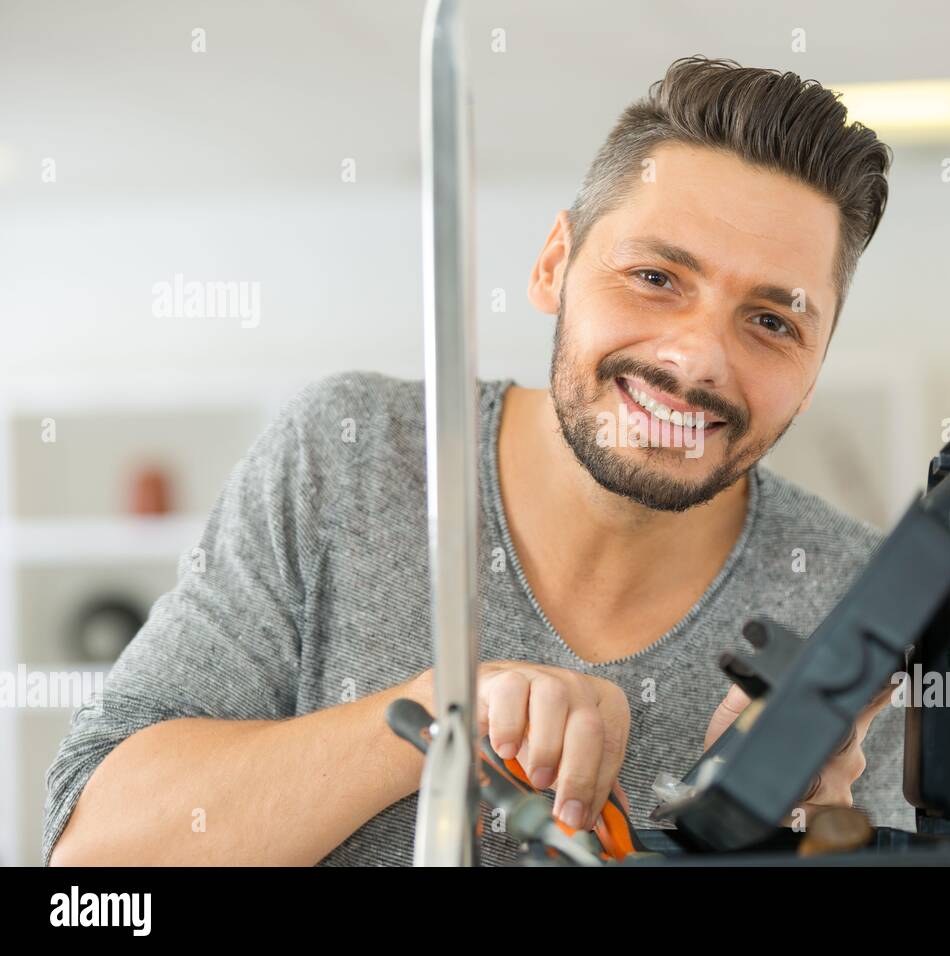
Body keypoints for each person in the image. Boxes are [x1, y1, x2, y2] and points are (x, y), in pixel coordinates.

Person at [45, 55, 901, 866]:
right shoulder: (345, 459)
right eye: (654, 278)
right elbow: (97, 859)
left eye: (772, 322)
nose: (698, 360)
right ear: (553, 266)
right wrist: (442, 716)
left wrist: (800, 834)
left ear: (816, 364)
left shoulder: (855, 597)